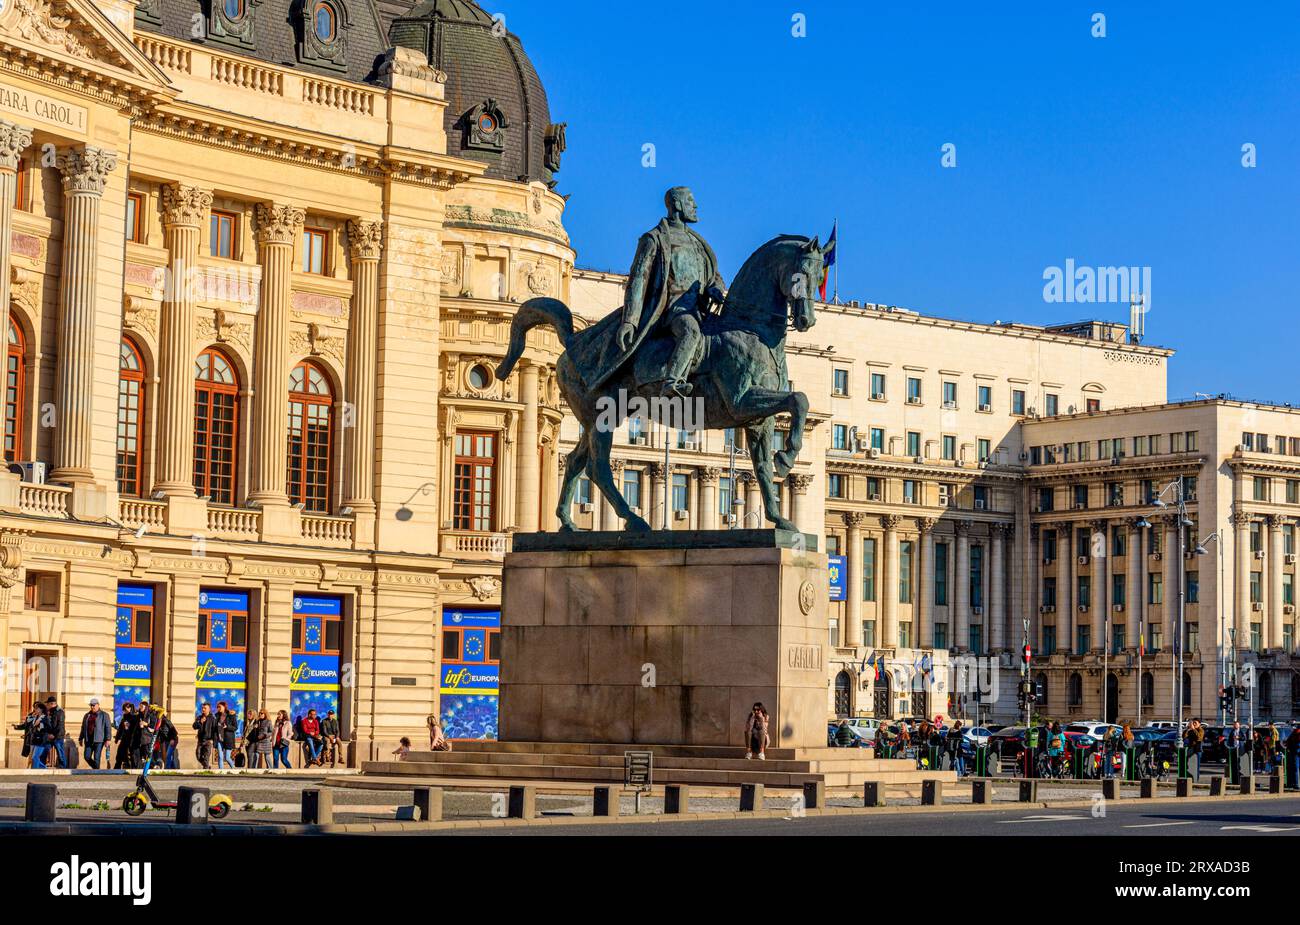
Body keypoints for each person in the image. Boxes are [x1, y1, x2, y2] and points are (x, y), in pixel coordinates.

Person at [609, 186, 726, 400]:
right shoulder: (655, 238)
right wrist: (630, 321)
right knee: (691, 332)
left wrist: (716, 288)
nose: (696, 206)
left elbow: (714, 275)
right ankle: (672, 382)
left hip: (701, 310)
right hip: (672, 309)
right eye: (690, 201)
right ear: (678, 205)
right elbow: (638, 280)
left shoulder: (699, 242)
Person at [77, 698, 113, 769]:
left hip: (99, 740)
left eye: (94, 705)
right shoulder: (87, 715)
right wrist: (81, 738)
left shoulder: (104, 715)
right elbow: (83, 727)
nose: (92, 707)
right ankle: (96, 768)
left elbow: (108, 727)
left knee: (97, 757)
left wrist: (108, 739)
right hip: (88, 739)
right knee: (86, 756)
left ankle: (96, 771)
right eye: (91, 705)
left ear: (98, 705)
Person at [44, 696, 66, 768]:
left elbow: (60, 725)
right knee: (45, 750)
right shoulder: (50, 712)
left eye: (48, 704)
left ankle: (63, 768)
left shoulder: (60, 712)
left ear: (52, 704)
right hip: (50, 736)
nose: (47, 705)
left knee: (60, 753)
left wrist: (53, 734)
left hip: (58, 736)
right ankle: (42, 766)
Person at [192, 702, 217, 769]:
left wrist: (213, 740)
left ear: (209, 709)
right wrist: (200, 722)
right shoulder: (199, 717)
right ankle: (207, 766)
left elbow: (215, 730)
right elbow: (194, 726)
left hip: (208, 740)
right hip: (200, 740)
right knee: (198, 756)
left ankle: (206, 771)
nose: (203, 709)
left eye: (205, 708)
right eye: (202, 708)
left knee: (206, 757)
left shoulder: (212, 718)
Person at [213, 701, 237, 770]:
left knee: (227, 757)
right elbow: (214, 727)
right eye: (217, 707)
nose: (218, 708)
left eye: (219, 707)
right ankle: (221, 771)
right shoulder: (216, 715)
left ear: (224, 707)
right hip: (219, 738)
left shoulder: (231, 715)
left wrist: (227, 727)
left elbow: (235, 727)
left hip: (228, 739)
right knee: (220, 756)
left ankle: (234, 769)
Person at [114, 703, 138, 770]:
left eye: (125, 709)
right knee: (120, 752)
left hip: (132, 739)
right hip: (125, 738)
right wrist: (117, 738)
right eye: (123, 709)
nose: (124, 711)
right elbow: (121, 729)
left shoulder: (135, 717)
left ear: (130, 708)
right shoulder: (124, 717)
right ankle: (117, 767)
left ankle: (134, 768)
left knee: (132, 755)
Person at [1285, 725, 1300, 791]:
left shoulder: (1294, 733)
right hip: (1296, 751)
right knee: (1295, 768)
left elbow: (1287, 742)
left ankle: (1295, 784)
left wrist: (1289, 749)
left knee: (1295, 768)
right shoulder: (1295, 733)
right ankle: (1296, 784)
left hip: (1295, 752)